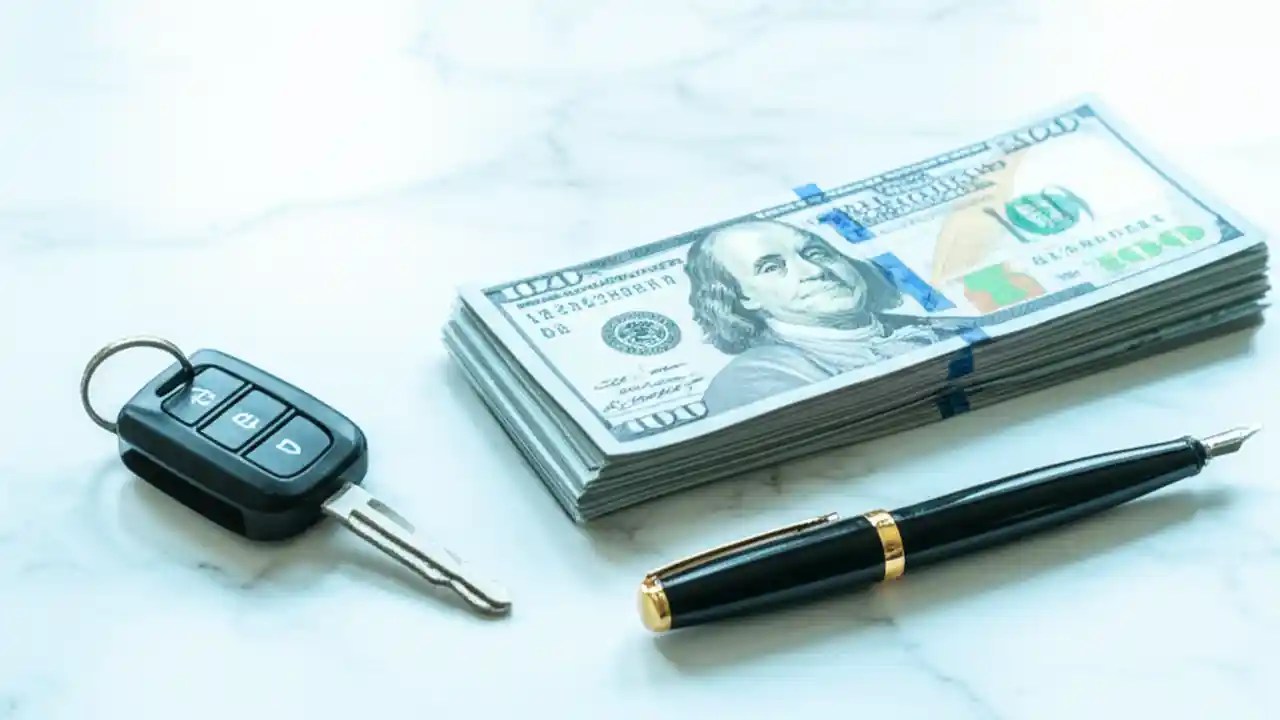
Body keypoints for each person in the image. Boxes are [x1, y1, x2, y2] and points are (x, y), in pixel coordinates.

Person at [684, 219, 944, 415]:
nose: (814, 271)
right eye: (772, 267)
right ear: (742, 298)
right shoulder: (753, 378)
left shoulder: (950, 329)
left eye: (815, 254)